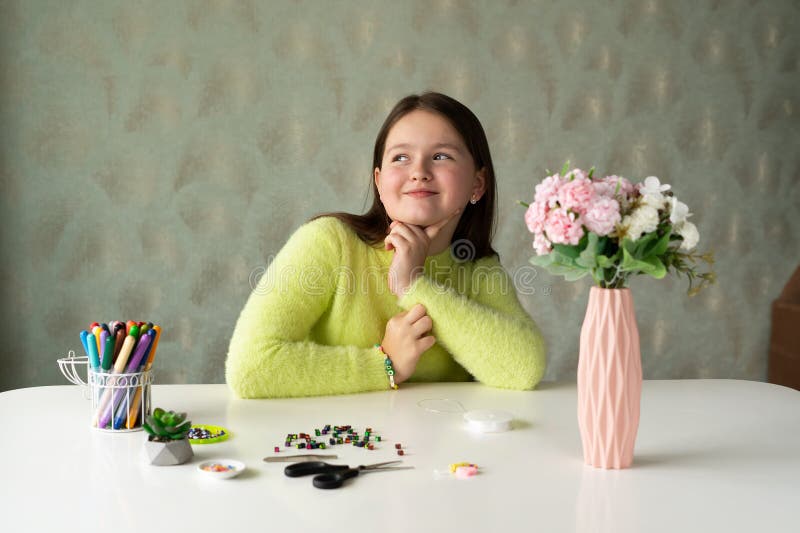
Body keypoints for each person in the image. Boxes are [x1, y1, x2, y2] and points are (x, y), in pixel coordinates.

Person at [226, 91, 546, 398]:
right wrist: (385, 364)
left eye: (441, 156)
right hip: (341, 444)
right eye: (401, 157)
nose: (419, 172)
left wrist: (413, 286)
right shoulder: (330, 242)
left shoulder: (478, 268)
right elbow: (249, 367)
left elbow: (523, 370)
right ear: (380, 182)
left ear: (477, 183)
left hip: (440, 449)